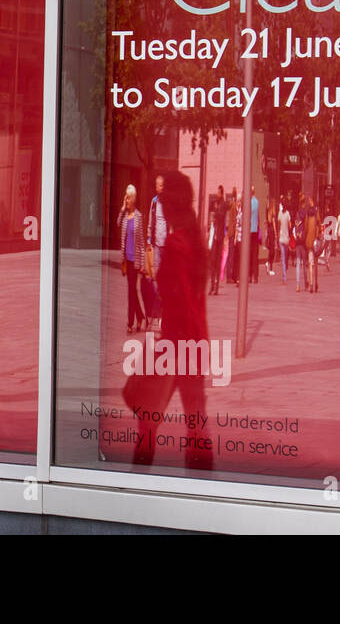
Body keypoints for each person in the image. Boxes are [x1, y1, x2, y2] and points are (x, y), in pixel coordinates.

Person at [131, 170, 212, 471]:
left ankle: (140, 474)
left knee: (148, 417)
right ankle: (199, 475)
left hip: (177, 341)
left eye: (163, 200)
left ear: (172, 203)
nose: (160, 206)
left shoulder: (179, 245)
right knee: (194, 419)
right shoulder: (195, 237)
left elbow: (180, 298)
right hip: (192, 340)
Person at [118, 185, 146, 330]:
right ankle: (140, 316)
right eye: (126, 197)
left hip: (135, 260)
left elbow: (141, 242)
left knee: (131, 290)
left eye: (128, 198)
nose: (127, 200)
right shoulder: (124, 217)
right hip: (126, 259)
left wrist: (142, 264)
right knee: (132, 290)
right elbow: (117, 223)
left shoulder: (139, 217)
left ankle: (130, 323)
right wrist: (123, 208)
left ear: (133, 199)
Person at [208, 185, 225, 295]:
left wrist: (216, 210)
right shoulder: (216, 203)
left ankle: (216, 286)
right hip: (214, 236)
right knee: (213, 261)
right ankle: (212, 285)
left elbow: (222, 216)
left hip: (219, 237)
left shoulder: (223, 204)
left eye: (219, 193)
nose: (217, 195)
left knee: (217, 262)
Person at [304, 196, 320, 293]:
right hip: (315, 241)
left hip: (309, 241)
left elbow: (305, 228)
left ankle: (311, 284)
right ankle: (316, 282)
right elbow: (319, 223)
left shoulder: (307, 214)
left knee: (310, 263)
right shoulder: (317, 213)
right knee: (316, 263)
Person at [276, 199, 291, 285]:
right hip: (286, 238)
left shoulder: (280, 214)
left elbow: (278, 224)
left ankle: (284, 276)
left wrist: (277, 234)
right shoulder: (288, 214)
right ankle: (284, 275)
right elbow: (290, 225)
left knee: (283, 257)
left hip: (281, 237)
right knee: (285, 256)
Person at [248, 186, 260, 284]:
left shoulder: (250, 202)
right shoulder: (257, 202)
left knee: (249, 254)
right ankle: (255, 276)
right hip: (255, 229)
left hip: (249, 230)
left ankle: (249, 275)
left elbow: (248, 214)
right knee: (255, 254)